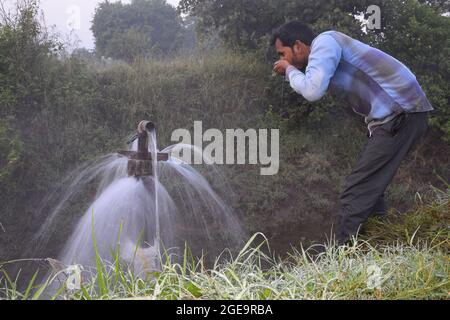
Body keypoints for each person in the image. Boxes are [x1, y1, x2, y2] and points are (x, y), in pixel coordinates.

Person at [271, 21, 433, 244]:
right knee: (370, 190)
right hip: (398, 116)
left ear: (298, 45)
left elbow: (312, 90)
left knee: (356, 191)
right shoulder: (326, 53)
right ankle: (380, 245)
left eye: (283, 53)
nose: (282, 59)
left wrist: (289, 70)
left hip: (401, 114)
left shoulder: (325, 42)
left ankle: (345, 256)